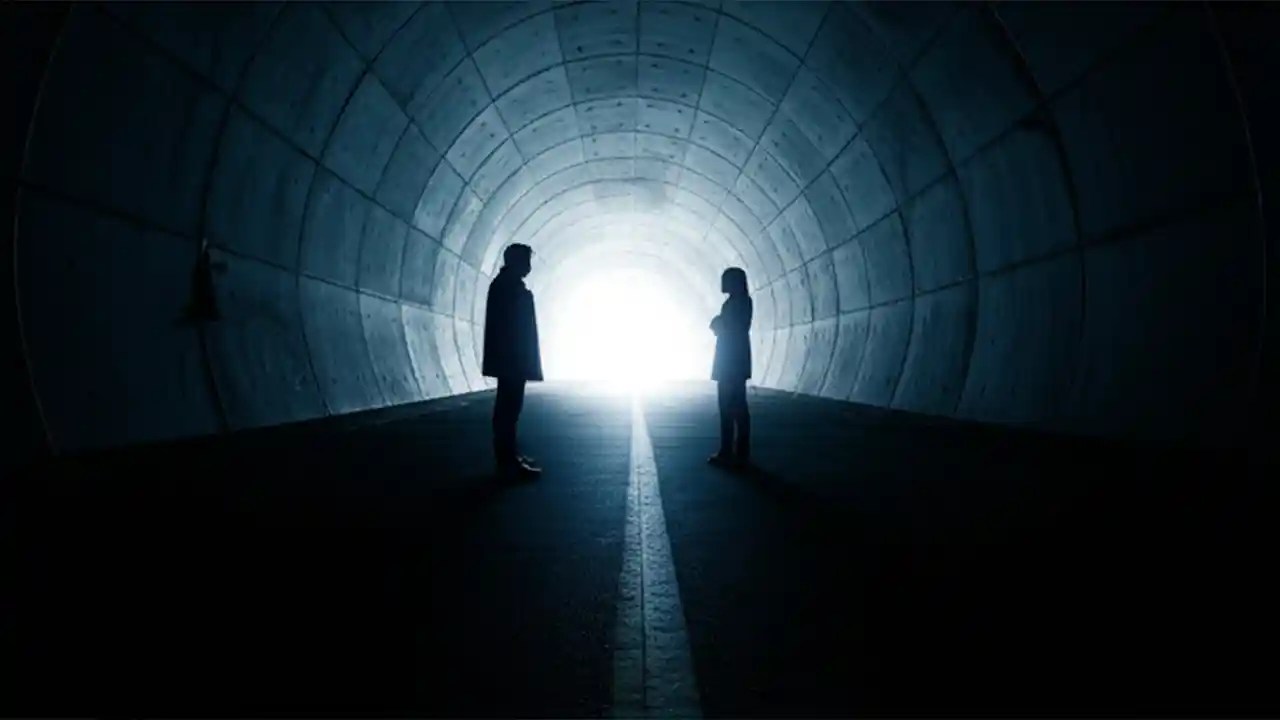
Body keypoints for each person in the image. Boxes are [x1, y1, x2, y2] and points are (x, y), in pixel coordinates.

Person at [482, 243, 543, 478]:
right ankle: (507, 462)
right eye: (526, 260)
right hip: (511, 359)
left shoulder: (507, 284)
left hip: (511, 359)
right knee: (508, 410)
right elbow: (510, 327)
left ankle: (511, 457)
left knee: (509, 409)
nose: (529, 266)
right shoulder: (508, 287)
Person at [708, 267, 752, 468]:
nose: (722, 283)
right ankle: (738, 451)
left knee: (729, 407)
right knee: (736, 407)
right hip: (735, 360)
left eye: (725, 279)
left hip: (730, 361)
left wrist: (717, 323)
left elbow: (728, 327)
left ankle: (730, 451)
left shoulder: (737, 303)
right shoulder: (740, 301)